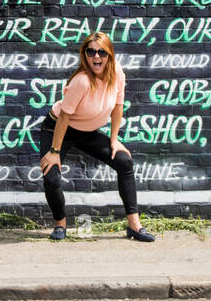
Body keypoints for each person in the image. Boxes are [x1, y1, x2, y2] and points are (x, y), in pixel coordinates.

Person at [38, 33, 155, 242]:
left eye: (102, 52)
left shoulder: (117, 73)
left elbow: (118, 106)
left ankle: (135, 226)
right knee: (51, 176)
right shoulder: (81, 81)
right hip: (58, 128)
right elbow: (64, 116)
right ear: (85, 55)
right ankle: (60, 225)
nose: (96, 56)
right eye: (91, 51)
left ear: (109, 55)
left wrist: (114, 139)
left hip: (86, 132)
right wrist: (54, 151)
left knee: (124, 162)